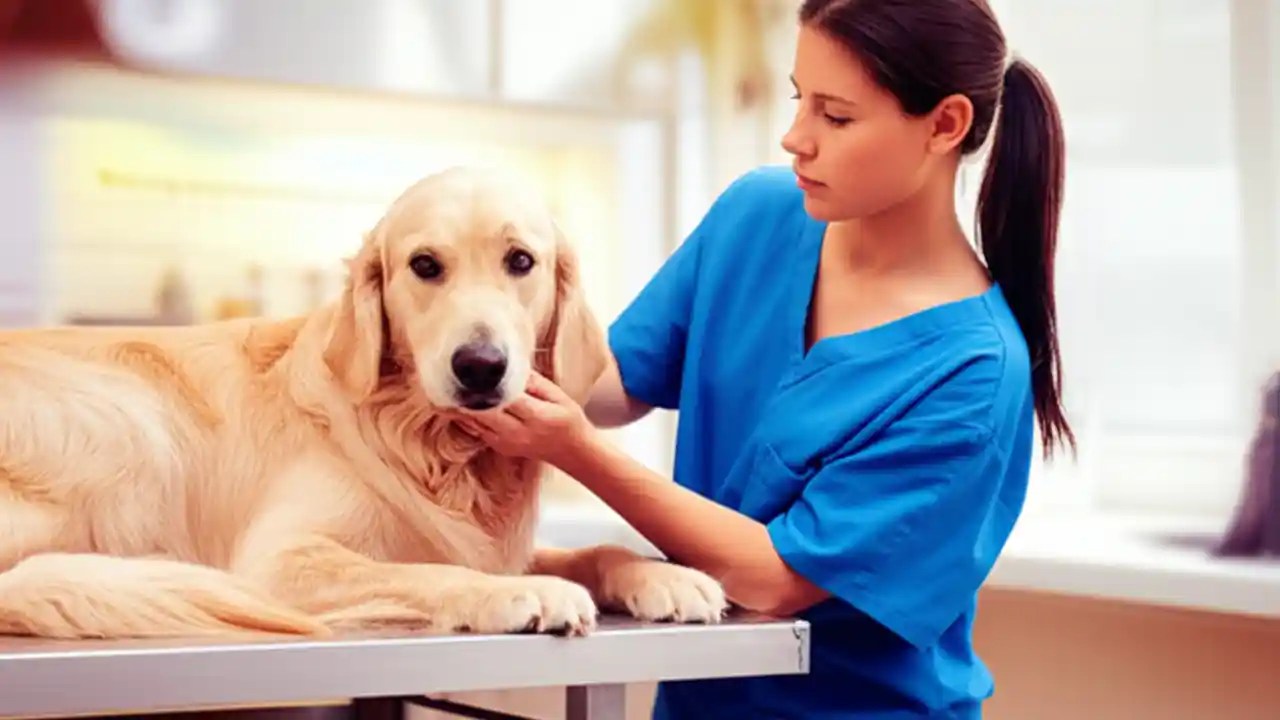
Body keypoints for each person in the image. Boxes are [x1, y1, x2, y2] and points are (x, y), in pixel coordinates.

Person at [469, 0, 1074, 716]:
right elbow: (607, 383)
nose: (796, 138)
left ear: (944, 125)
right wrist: (478, 325)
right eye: (799, 99)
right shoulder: (757, 216)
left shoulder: (971, 373)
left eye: (836, 116)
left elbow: (776, 578)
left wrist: (574, 451)